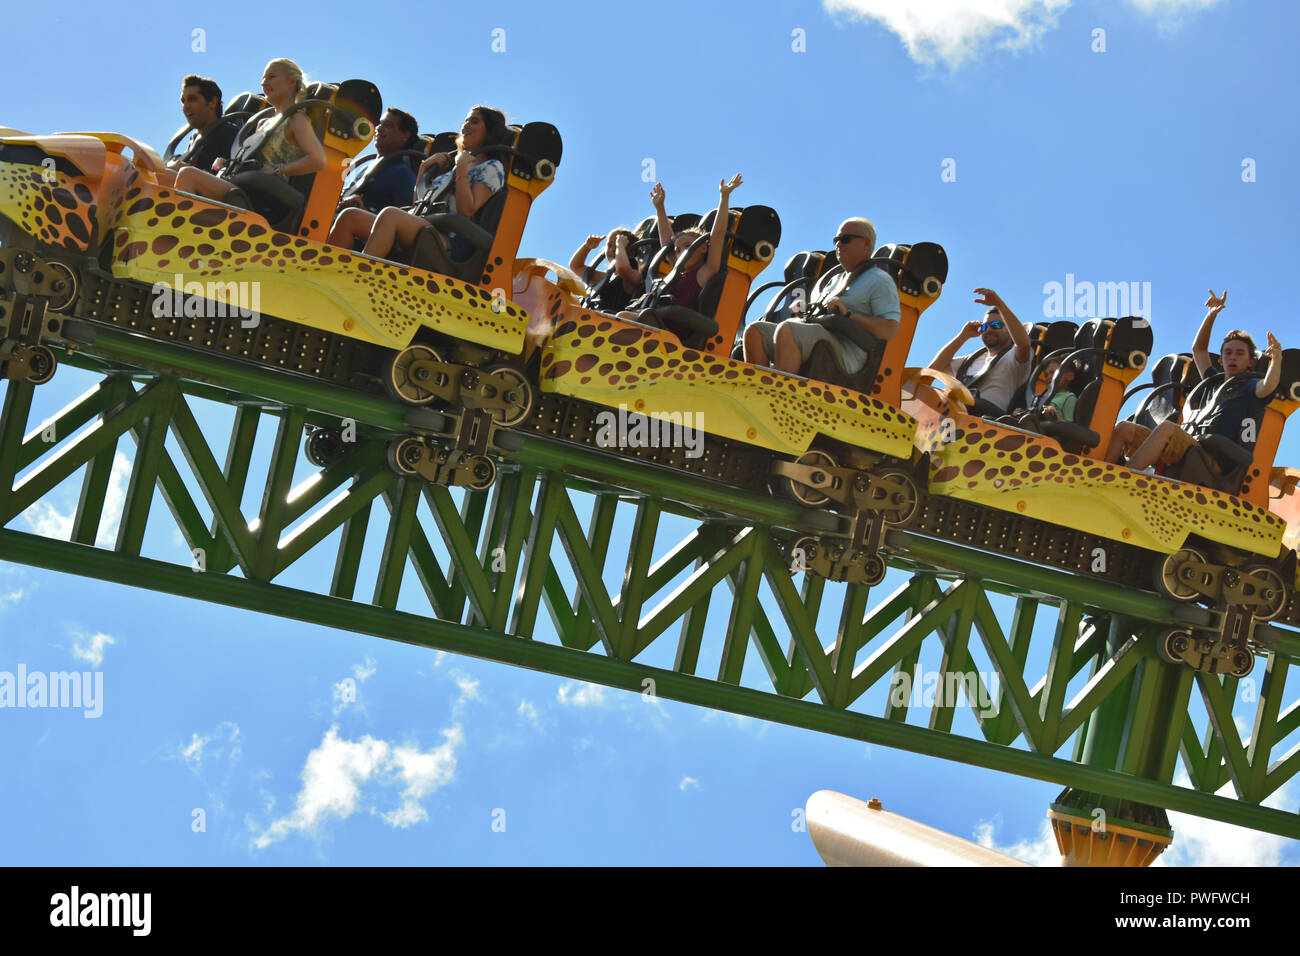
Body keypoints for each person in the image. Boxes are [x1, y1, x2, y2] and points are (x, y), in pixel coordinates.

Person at [1105, 290, 1282, 482]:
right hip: (1189, 447)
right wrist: (1211, 314)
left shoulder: (1249, 387)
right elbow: (1199, 350)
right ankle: (1100, 474)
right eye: (1228, 353)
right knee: (1124, 429)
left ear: (1250, 362)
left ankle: (1122, 479)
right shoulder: (1212, 382)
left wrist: (1277, 359)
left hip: (1211, 462)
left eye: (1240, 353)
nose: (1233, 357)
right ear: (1221, 361)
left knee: (1167, 428)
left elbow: (1268, 386)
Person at [328, 106, 508, 262]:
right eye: (466, 120)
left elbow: (467, 209)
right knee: (349, 216)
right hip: (427, 227)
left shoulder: (492, 167)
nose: (465, 126)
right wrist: (423, 169)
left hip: (449, 239)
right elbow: (419, 205)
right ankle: (326, 272)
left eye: (474, 121)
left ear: (490, 131)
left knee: (391, 215)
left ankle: (357, 273)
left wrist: (461, 169)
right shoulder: (456, 167)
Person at [742, 218, 900, 375]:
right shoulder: (835, 280)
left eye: (845, 239)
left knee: (788, 330)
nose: (838, 244)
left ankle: (777, 394)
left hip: (848, 353)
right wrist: (803, 310)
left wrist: (850, 315)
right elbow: (821, 313)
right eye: (836, 240)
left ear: (866, 244)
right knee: (755, 332)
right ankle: (757, 392)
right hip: (820, 333)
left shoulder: (879, 280)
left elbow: (890, 330)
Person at [175, 58, 326, 206]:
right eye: (263, 78)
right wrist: (226, 162)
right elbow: (252, 159)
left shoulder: (296, 119)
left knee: (187, 175)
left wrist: (277, 170)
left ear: (292, 81)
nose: (264, 83)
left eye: (271, 77)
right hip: (242, 185)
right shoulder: (262, 122)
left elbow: (318, 160)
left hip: (264, 196)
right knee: (166, 176)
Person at [616, 175, 741, 324]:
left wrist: (724, 196)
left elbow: (718, 235)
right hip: (654, 322)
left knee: (623, 317)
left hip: (672, 330)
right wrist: (660, 208)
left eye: (688, 247)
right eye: (678, 250)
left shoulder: (704, 273)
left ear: (702, 248)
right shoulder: (676, 274)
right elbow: (667, 246)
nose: (682, 253)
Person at [930, 289, 1032, 415]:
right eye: (985, 326)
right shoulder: (968, 361)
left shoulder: (1013, 358)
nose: (989, 329)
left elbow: (1024, 344)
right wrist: (963, 336)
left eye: (996, 325)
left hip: (985, 422)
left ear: (1009, 330)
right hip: (950, 418)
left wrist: (1000, 305)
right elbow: (933, 370)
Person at [337, 108, 420, 214]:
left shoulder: (402, 174)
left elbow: (404, 224)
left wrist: (361, 210)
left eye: (389, 125)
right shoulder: (366, 167)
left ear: (405, 135)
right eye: (380, 124)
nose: (379, 128)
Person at [166, 75, 236, 174]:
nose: (186, 106)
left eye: (192, 99)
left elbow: (228, 175)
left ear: (212, 102)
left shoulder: (228, 133)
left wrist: (185, 169)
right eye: (183, 101)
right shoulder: (194, 139)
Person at [571, 229, 642, 313]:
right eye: (609, 245)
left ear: (631, 254)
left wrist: (620, 245)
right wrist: (587, 246)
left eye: (616, 245)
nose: (612, 249)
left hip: (615, 321)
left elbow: (622, 268)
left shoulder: (635, 275)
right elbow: (576, 266)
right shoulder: (605, 277)